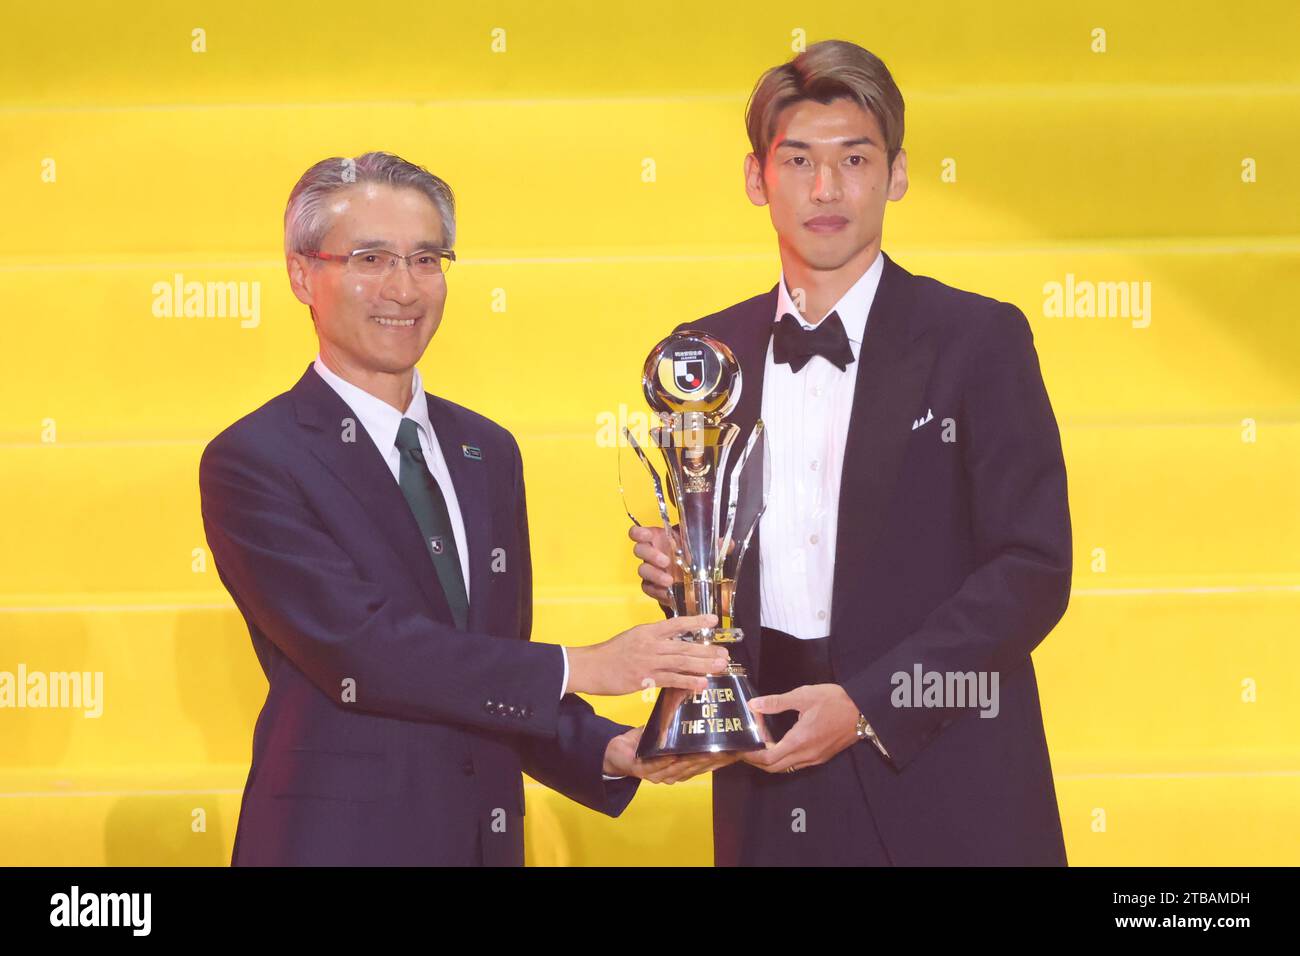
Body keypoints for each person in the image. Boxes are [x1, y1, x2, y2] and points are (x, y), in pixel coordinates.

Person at [200, 151, 727, 866]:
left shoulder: (487, 450)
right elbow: (367, 651)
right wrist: (584, 665)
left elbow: (486, 663)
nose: (403, 288)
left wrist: (606, 748)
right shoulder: (255, 458)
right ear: (302, 274)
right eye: (370, 258)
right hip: (334, 846)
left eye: (426, 259)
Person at [630, 41, 1072, 865]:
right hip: (768, 771)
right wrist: (681, 578)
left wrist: (871, 705)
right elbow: (724, 568)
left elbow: (1033, 567)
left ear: (897, 173)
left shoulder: (978, 339)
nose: (826, 189)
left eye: (854, 159)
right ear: (758, 178)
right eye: (798, 160)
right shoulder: (701, 356)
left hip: (948, 772)